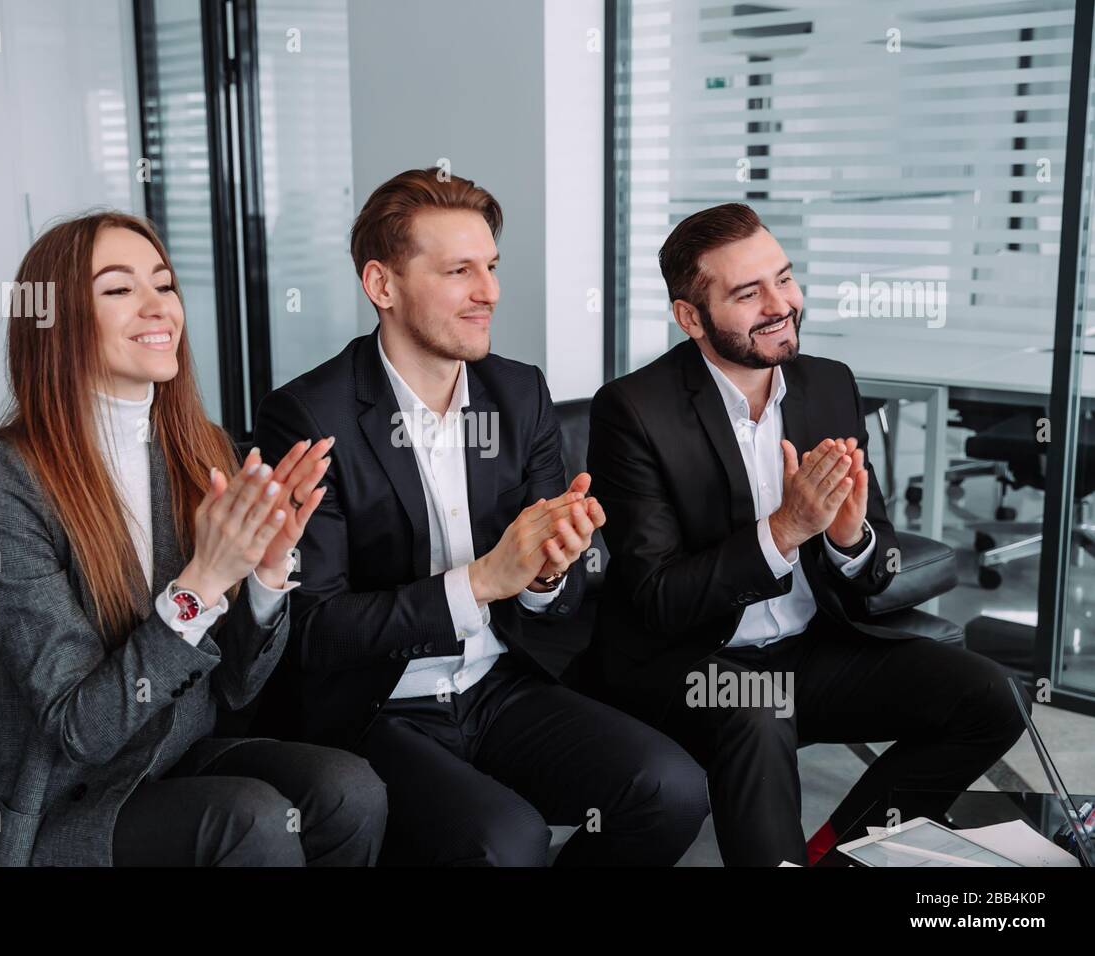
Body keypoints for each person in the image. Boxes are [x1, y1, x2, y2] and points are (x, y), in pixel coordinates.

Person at [252, 169, 709, 866]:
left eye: (491, 267)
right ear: (382, 286)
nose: (489, 292)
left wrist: (549, 572)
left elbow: (553, 601)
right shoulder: (310, 416)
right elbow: (314, 628)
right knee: (506, 841)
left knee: (673, 789)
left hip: (500, 683)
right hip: (378, 709)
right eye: (460, 271)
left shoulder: (519, 391)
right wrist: (481, 582)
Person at [582, 202, 1025, 866]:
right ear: (690, 317)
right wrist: (784, 530)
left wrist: (849, 540)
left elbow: (868, 566)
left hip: (810, 651)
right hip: (691, 660)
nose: (780, 304)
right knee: (758, 711)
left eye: (784, 278)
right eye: (747, 292)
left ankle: (833, 855)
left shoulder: (827, 385)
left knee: (992, 697)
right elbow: (657, 597)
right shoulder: (633, 410)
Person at [0, 211, 386, 866]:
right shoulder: (0, 483)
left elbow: (237, 688)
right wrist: (202, 581)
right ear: (57, 323)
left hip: (177, 756)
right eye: (120, 290)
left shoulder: (199, 447)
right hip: (63, 796)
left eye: (164, 284)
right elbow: (80, 729)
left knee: (351, 790)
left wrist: (264, 576)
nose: (158, 308)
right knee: (252, 821)